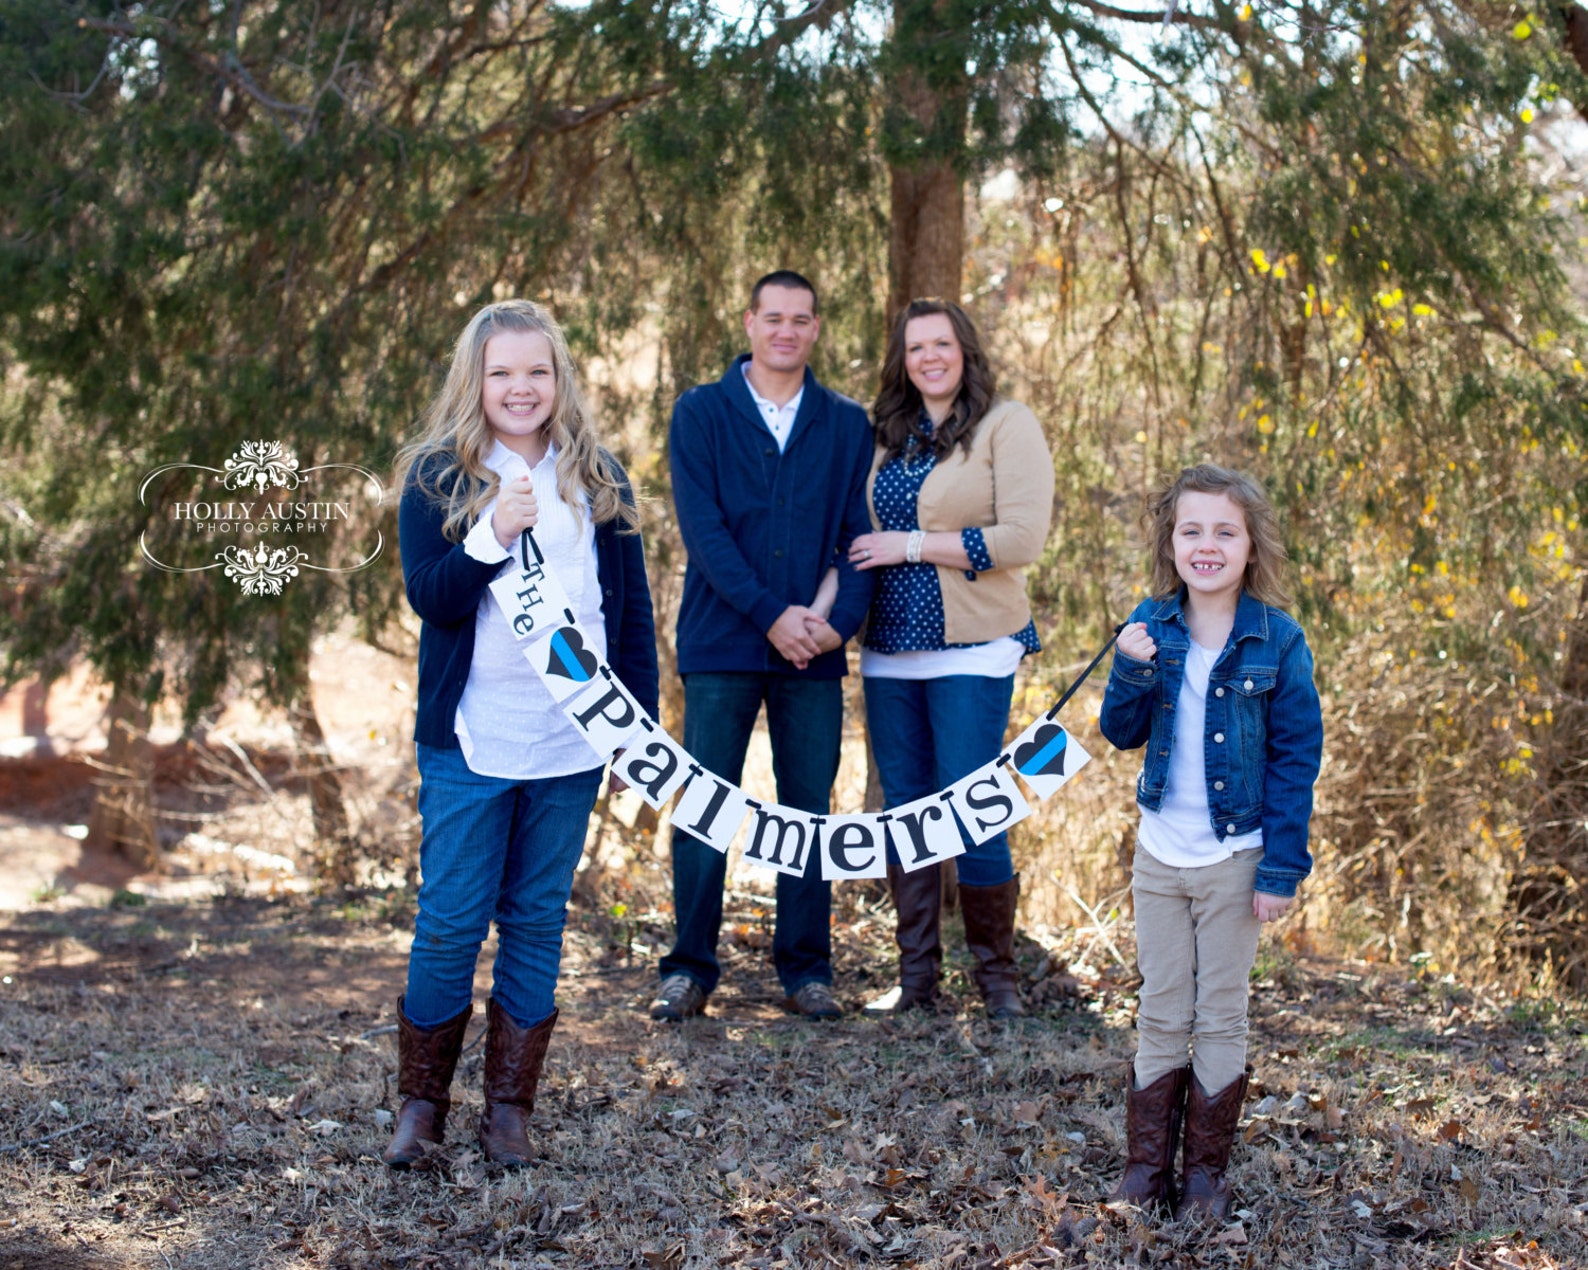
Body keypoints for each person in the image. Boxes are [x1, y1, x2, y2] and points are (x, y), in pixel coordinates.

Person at [386, 300, 658, 1168]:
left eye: (535, 371)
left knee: (538, 920)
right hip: (471, 737)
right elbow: (431, 597)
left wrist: (634, 734)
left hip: (572, 739)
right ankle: (421, 1110)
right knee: (450, 922)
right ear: (476, 379)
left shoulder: (597, 474)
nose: (519, 387)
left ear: (558, 379)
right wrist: (490, 537)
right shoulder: (438, 476)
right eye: (501, 371)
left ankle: (509, 1114)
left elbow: (630, 617)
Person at [1098, 464, 1323, 1220]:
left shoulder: (1278, 640)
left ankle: (1205, 1179)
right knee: (1162, 1007)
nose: (1207, 545)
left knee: (1220, 1011)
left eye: (1225, 531)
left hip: (1238, 856)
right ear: (1170, 541)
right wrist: (1129, 670)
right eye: (1191, 530)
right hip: (1160, 853)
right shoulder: (1150, 622)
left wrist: (1282, 869)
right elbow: (1120, 733)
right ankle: (1144, 1173)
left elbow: (1296, 759)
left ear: (1252, 545)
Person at [651, 269, 874, 1022]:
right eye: (772, 317)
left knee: (809, 809)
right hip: (720, 644)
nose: (786, 330)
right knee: (703, 805)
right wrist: (770, 615)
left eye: (800, 319)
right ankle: (688, 969)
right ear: (748, 322)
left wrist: (829, 629)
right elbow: (704, 533)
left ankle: (807, 970)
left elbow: (857, 536)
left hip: (812, 649)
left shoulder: (846, 423)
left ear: (815, 329)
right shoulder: (701, 413)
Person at [848, 299, 1054, 1019]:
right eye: (915, 348)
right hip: (888, 647)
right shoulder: (886, 437)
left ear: (964, 349)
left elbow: (1023, 537)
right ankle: (916, 982)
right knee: (904, 808)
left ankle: (997, 981)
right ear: (901, 361)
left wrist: (910, 547)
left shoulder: (1006, 424)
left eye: (941, 343)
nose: (929, 357)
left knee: (973, 807)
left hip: (974, 644)